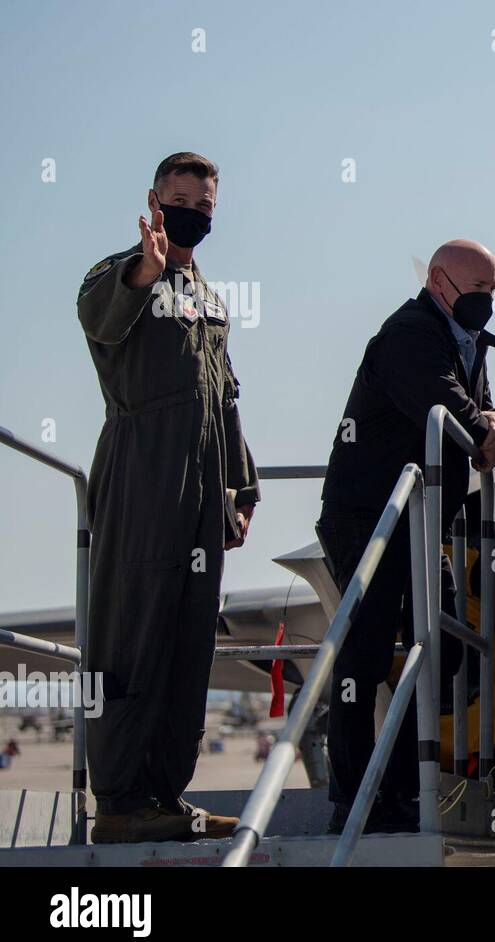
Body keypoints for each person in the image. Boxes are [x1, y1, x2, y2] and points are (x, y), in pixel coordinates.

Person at [76, 152, 259, 843]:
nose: (191, 212)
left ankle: (164, 794)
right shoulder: (119, 271)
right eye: (180, 199)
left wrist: (240, 488)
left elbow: (223, 398)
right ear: (154, 199)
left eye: (204, 204)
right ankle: (120, 800)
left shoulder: (208, 298)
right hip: (141, 475)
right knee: (132, 633)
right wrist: (144, 270)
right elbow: (98, 316)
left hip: (204, 489)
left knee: (188, 644)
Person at [319, 239, 495, 832]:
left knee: (445, 648)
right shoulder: (409, 333)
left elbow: (486, 420)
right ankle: (353, 798)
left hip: (420, 520)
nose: (486, 303)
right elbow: (458, 412)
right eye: (476, 291)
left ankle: (398, 788)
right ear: (439, 282)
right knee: (366, 652)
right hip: (370, 516)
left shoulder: (466, 341)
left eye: (492, 292)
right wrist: (494, 423)